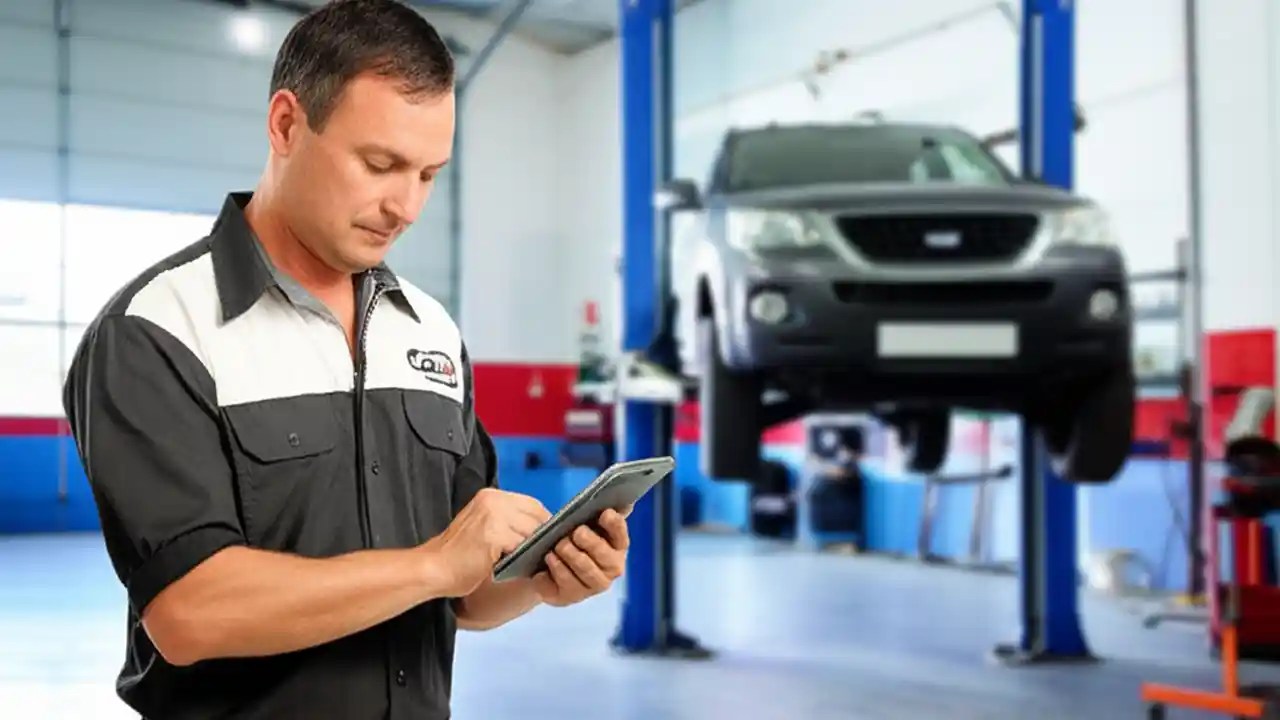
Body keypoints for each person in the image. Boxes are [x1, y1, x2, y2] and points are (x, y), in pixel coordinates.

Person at [60, 2, 630, 718]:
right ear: (286, 124)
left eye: (429, 174)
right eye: (380, 163)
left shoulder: (428, 332)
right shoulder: (159, 331)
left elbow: (465, 593)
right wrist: (430, 565)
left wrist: (542, 579)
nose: (406, 205)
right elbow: (191, 613)